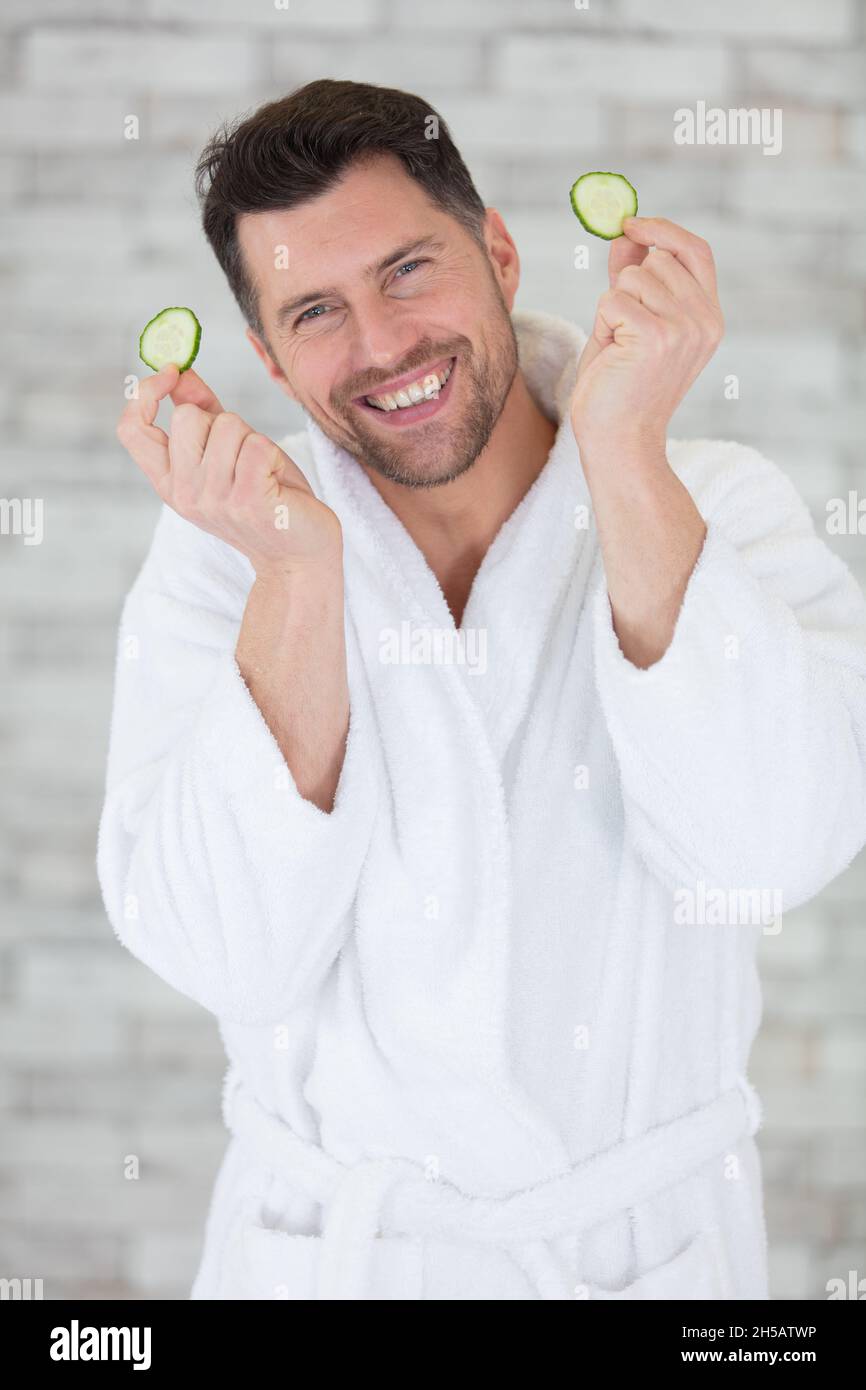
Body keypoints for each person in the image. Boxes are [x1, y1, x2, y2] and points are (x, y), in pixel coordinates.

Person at [100, 79, 866, 1300]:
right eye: (315, 310)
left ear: (497, 251)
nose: (383, 345)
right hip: (326, 1261)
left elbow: (764, 857)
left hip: (638, 1258)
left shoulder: (718, 505)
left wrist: (621, 452)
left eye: (407, 271)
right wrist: (299, 574)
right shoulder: (224, 550)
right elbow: (228, 956)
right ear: (265, 357)